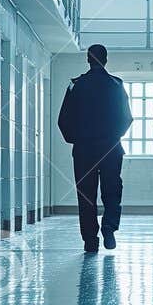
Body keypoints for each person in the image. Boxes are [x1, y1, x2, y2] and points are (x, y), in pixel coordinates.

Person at [57, 43, 132, 253]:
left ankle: (90, 240)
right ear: (106, 60)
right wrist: (113, 136)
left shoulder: (76, 85)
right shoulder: (116, 85)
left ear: (88, 60)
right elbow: (127, 117)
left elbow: (63, 119)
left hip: (84, 149)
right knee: (112, 190)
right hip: (110, 147)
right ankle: (109, 227)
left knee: (86, 195)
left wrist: (77, 139)